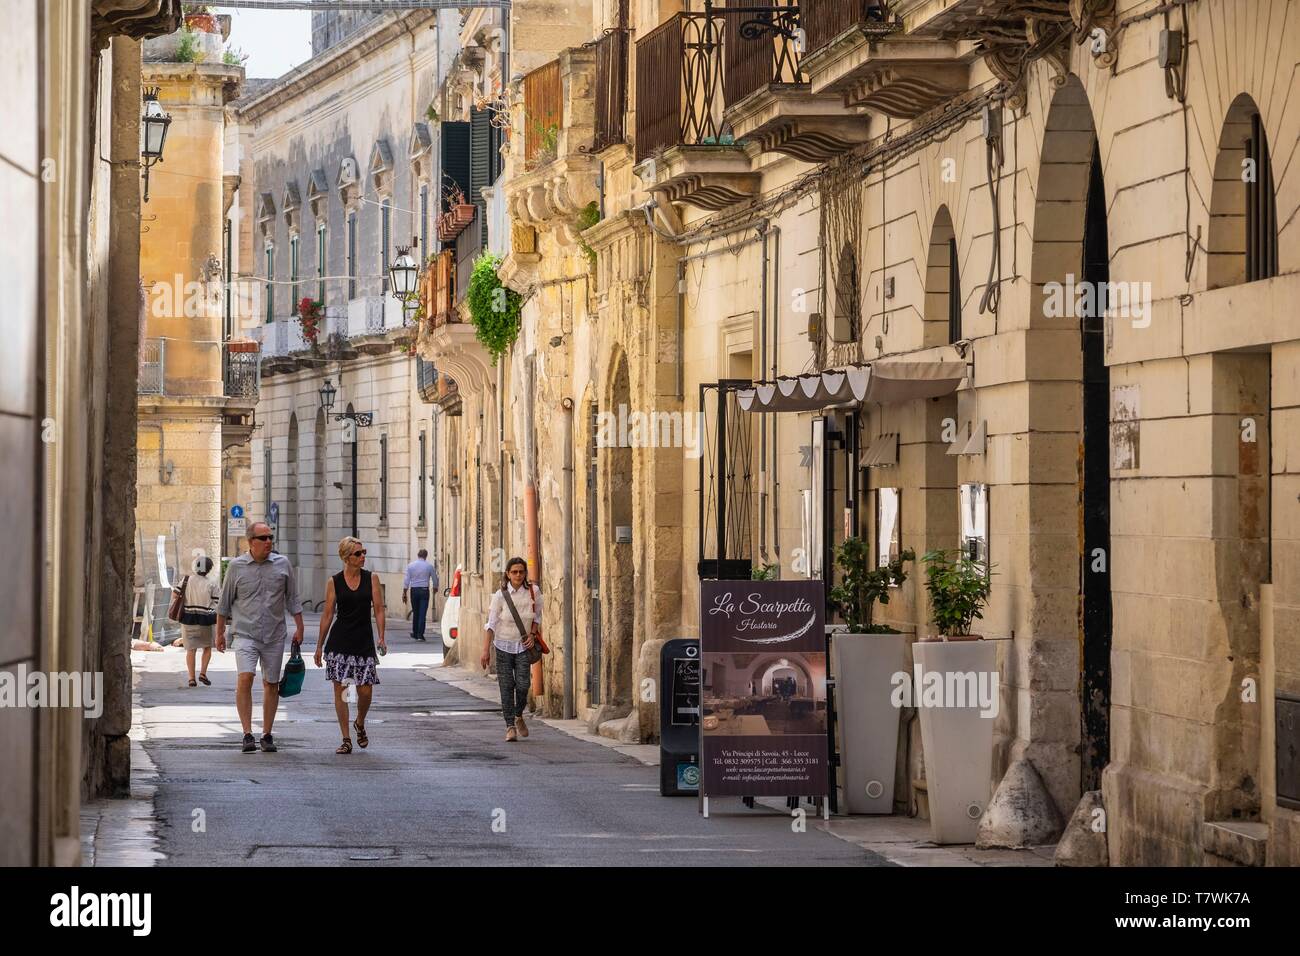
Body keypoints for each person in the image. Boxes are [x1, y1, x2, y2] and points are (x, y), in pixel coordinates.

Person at [216, 521, 304, 753]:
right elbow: (224, 604)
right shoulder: (236, 567)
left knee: (271, 683)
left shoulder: (282, 564)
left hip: (274, 634)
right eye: (263, 538)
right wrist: (219, 634)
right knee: (245, 678)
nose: (268, 542)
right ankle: (247, 733)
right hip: (245, 633)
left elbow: (293, 598)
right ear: (250, 542)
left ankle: (266, 734)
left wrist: (300, 627)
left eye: (270, 537)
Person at [315, 536, 386, 754]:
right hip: (340, 643)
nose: (363, 556)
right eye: (358, 553)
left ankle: (360, 722)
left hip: (363, 641)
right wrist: (319, 646)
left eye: (363, 552)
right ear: (347, 557)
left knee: (365, 692)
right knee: (343, 691)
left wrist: (381, 636)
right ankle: (346, 738)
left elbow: (379, 609)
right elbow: (327, 615)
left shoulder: (371, 578)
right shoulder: (334, 582)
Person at [480, 557, 540, 742]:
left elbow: (536, 619)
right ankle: (510, 727)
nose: (518, 575)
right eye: (514, 572)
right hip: (503, 645)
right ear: (508, 574)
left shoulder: (533, 592)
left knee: (523, 685)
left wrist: (532, 635)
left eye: (521, 571)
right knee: (506, 687)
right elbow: (491, 624)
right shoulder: (500, 595)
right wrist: (485, 650)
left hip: (523, 646)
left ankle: (518, 714)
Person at [180, 555, 221, 687]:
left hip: (188, 618)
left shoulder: (186, 580)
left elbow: (175, 594)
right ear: (209, 569)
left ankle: (191, 678)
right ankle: (203, 673)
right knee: (207, 647)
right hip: (205, 619)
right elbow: (217, 601)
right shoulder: (212, 582)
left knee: (191, 650)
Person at [402, 548, 438, 642]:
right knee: (422, 613)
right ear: (426, 556)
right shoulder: (429, 566)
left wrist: (404, 593)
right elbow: (435, 579)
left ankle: (415, 632)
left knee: (416, 612)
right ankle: (420, 635)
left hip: (414, 590)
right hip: (424, 590)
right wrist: (435, 588)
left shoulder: (411, 566)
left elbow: (406, 580)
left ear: (418, 555)